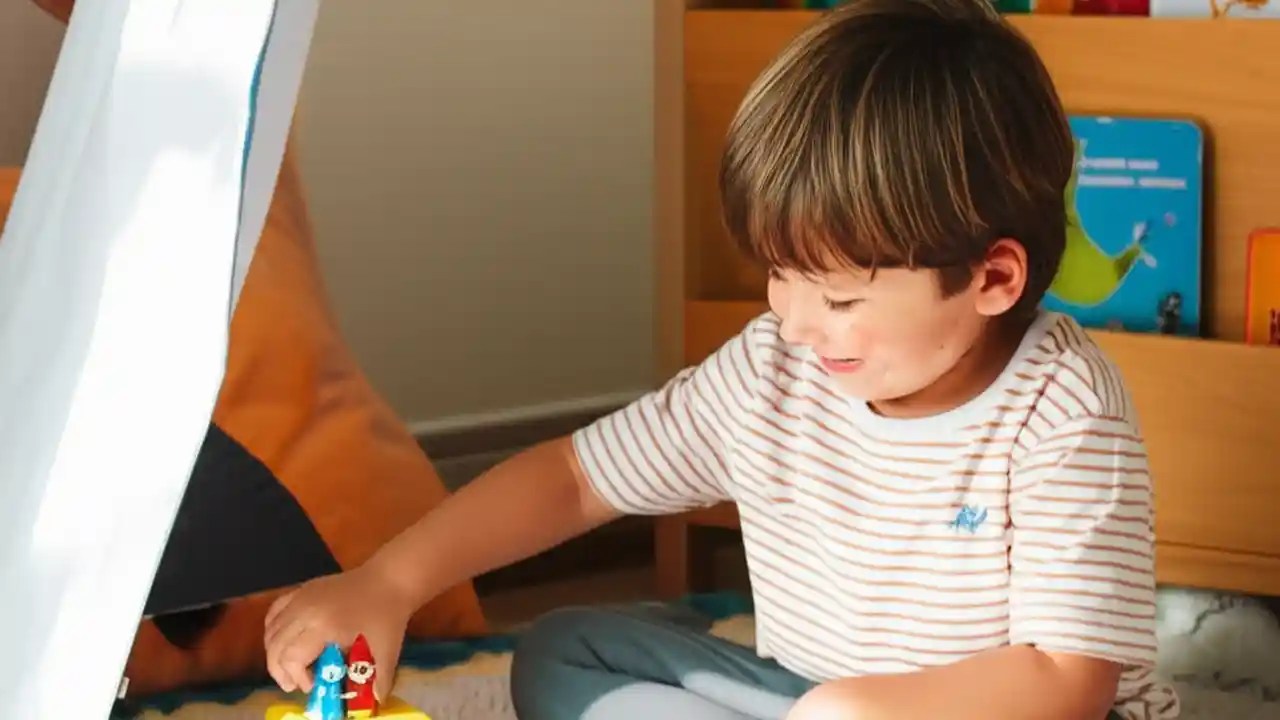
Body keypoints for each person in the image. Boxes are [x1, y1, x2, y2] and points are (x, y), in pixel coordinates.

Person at [263, 0, 1179, 717]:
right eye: (780, 275)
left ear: (993, 277)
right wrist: (390, 581)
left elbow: (1069, 681)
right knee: (559, 653)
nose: (795, 321)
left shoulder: (1061, 408)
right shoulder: (772, 374)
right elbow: (576, 482)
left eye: (842, 298)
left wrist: (860, 713)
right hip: (804, 698)